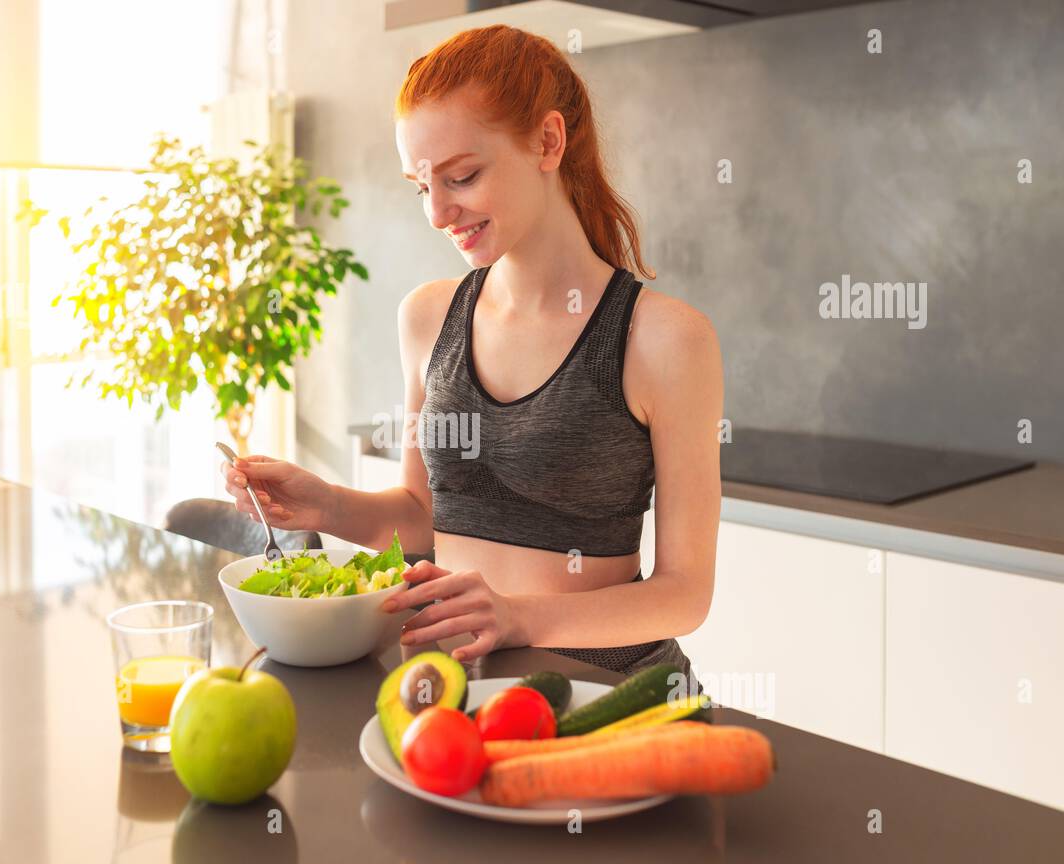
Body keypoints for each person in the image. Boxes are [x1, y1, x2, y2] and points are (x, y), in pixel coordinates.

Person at [221, 25, 722, 688]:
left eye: (462, 176)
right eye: (421, 185)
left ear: (548, 142)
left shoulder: (663, 339)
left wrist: (518, 617)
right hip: (454, 689)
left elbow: (684, 594)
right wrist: (327, 507)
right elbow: (425, 515)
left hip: (610, 702)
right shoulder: (428, 318)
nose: (436, 212)